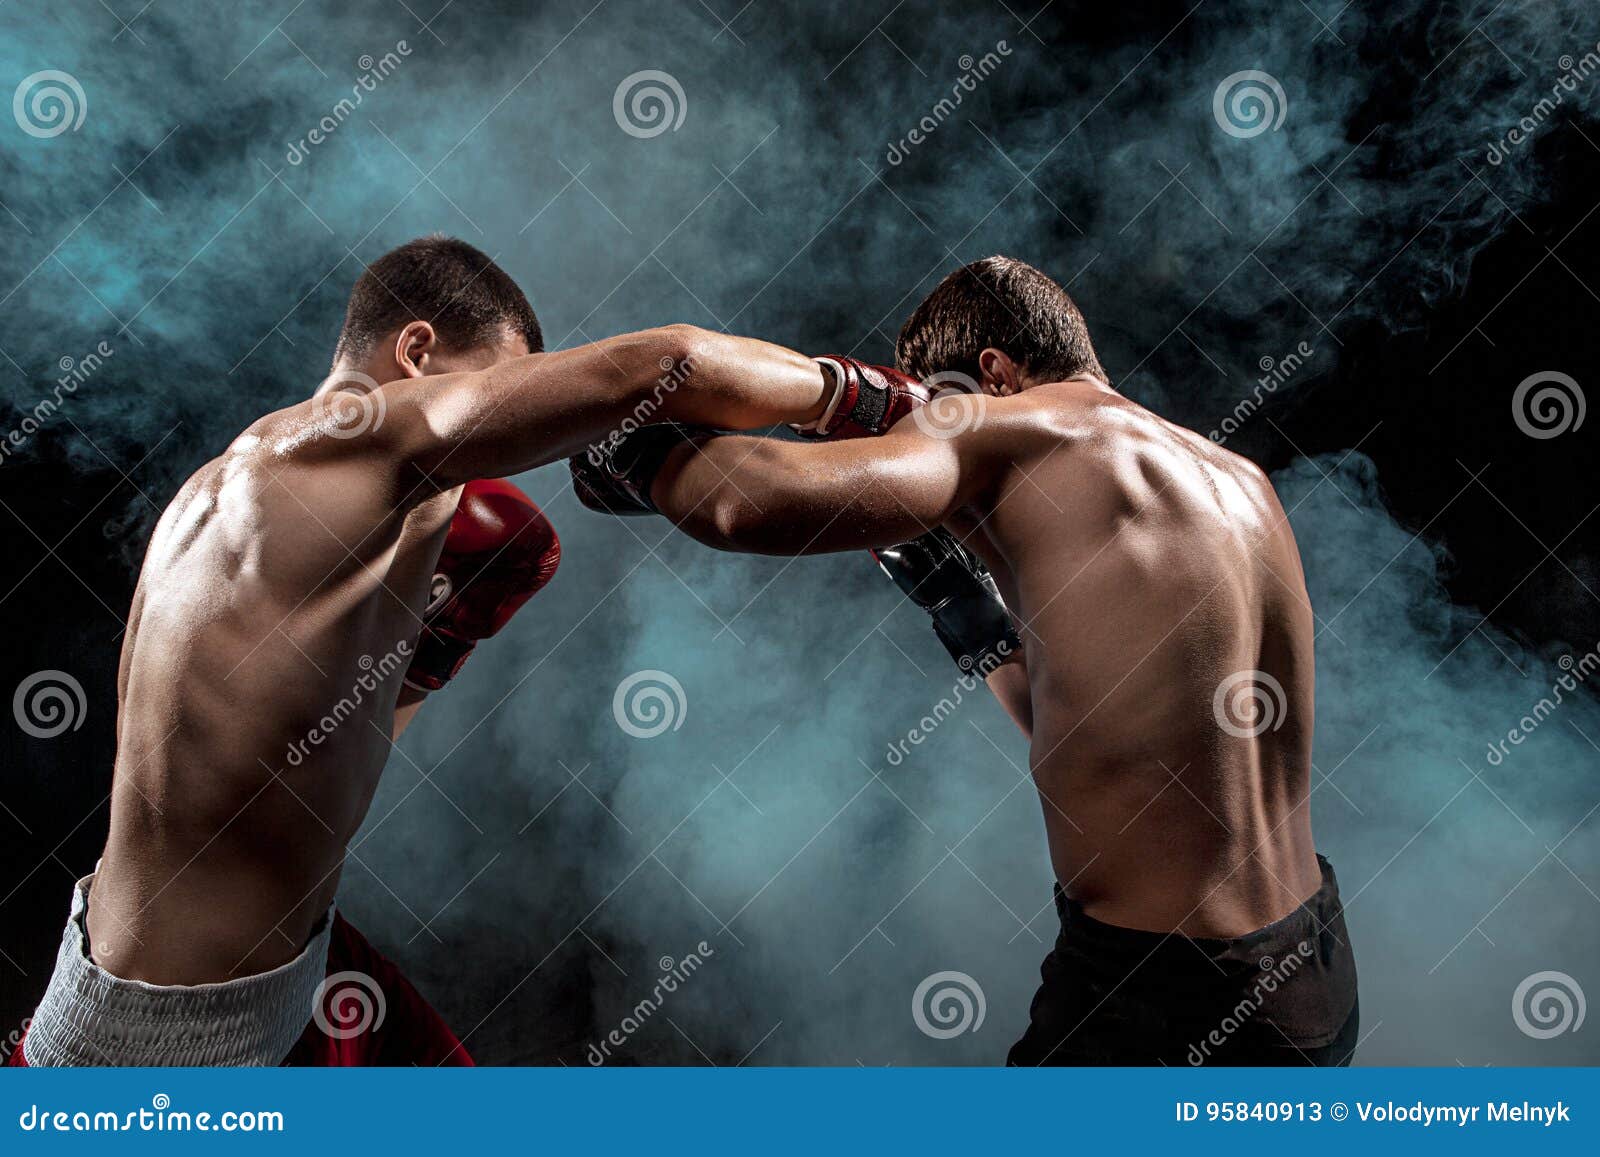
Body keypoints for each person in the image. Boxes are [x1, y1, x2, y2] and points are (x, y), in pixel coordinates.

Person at [14, 235, 845, 1066]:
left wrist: (429, 653)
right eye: (491, 388)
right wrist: (859, 395)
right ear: (415, 351)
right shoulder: (332, 450)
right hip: (158, 1053)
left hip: (280, 978)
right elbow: (670, 363)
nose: (494, 435)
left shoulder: (273, 505)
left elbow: (316, 772)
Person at [570, 255, 1360, 1066]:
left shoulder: (1009, 428)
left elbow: (744, 503)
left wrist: (646, 453)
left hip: (1167, 992)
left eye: (936, 405)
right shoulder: (1238, 479)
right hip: (1312, 966)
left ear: (994, 373)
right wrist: (964, 611)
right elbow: (1107, 732)